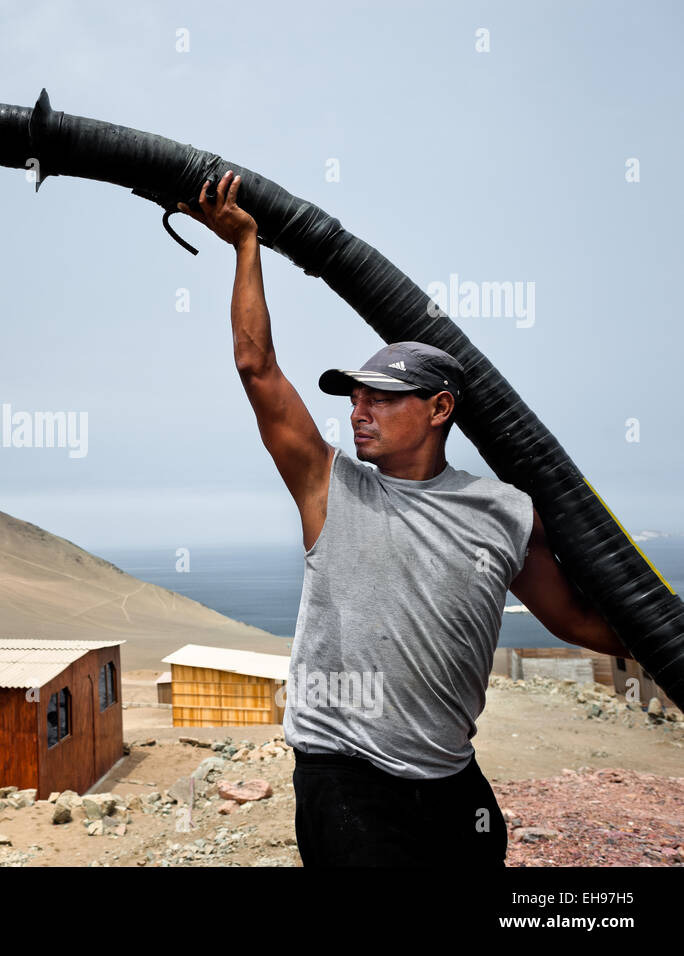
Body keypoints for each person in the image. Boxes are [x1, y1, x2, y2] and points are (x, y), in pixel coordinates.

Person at [178, 171, 632, 866]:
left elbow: (571, 618)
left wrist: (660, 646)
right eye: (355, 398)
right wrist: (245, 245)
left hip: (451, 775)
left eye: (381, 399)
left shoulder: (506, 512)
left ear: (439, 408)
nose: (359, 411)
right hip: (344, 776)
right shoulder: (328, 488)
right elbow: (256, 368)